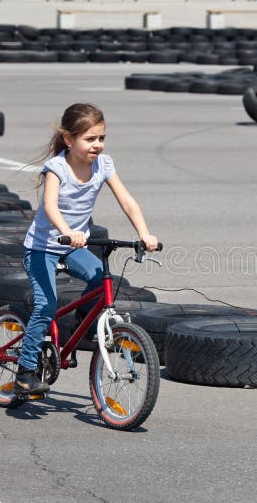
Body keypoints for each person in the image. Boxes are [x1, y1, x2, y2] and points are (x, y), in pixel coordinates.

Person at [15, 103, 159, 395]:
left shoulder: (104, 165)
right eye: (90, 139)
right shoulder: (57, 167)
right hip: (43, 246)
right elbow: (49, 206)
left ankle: (81, 322)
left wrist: (144, 234)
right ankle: (25, 370)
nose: (97, 145)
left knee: (100, 280)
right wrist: (67, 231)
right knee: (46, 306)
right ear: (69, 140)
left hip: (73, 245)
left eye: (101, 138)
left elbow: (127, 201)